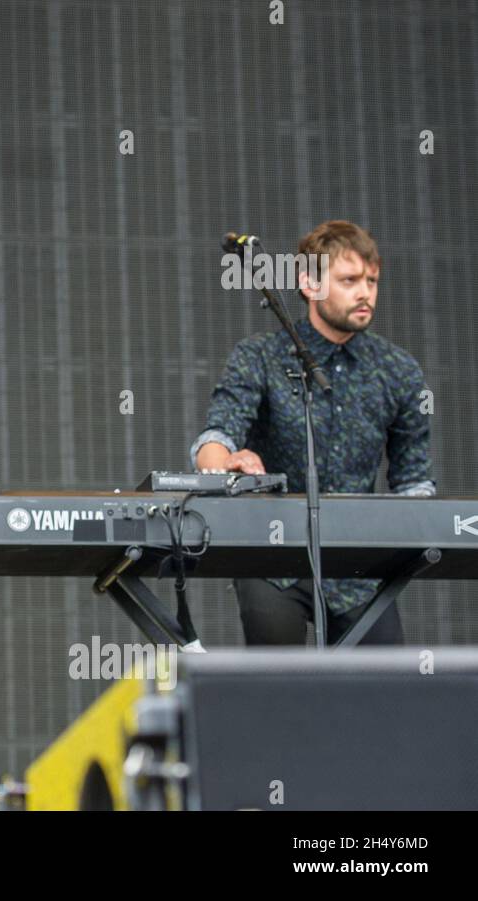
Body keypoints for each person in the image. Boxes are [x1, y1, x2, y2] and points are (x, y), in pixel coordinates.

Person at [191, 220, 435, 646]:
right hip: (272, 561)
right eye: (349, 280)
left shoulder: (398, 370)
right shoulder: (260, 356)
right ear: (308, 283)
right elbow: (215, 438)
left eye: (372, 280)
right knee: (278, 688)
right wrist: (226, 465)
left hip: (360, 570)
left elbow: (415, 483)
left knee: (391, 695)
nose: (365, 292)